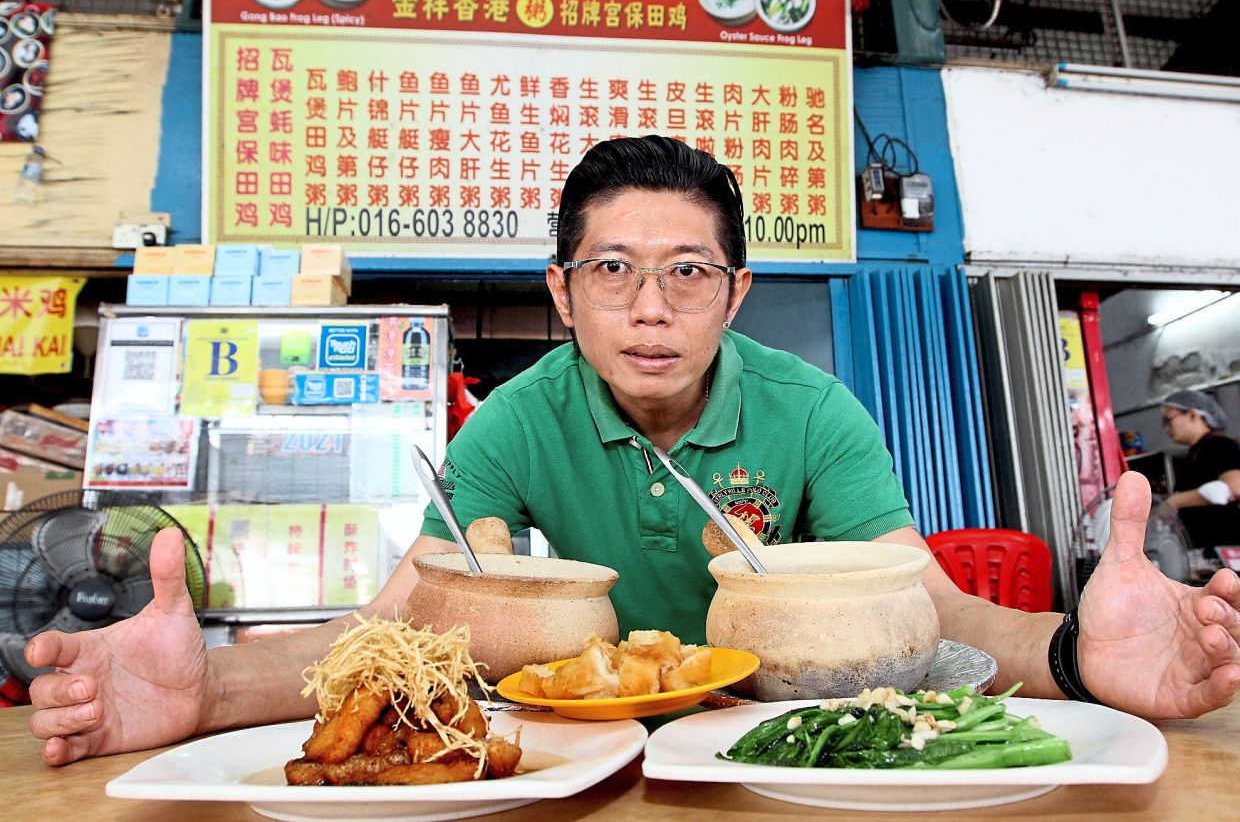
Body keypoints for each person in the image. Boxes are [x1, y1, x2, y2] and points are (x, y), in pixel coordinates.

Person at [24, 136, 1240, 766]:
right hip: (585, 763)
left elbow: (929, 613)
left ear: (736, 291)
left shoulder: (813, 408)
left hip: (784, 749)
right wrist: (208, 695)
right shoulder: (509, 424)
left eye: (687, 272)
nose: (647, 307)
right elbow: (403, 627)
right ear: (562, 292)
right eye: (611, 269)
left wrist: (1084, 655)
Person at [1161, 389, 1240, 550]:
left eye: (1169, 420)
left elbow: (1234, 487)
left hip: (1227, 548)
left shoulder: (1219, 446)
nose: (1166, 428)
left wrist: (1174, 501)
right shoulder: (1196, 452)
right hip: (1206, 550)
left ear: (1192, 415)